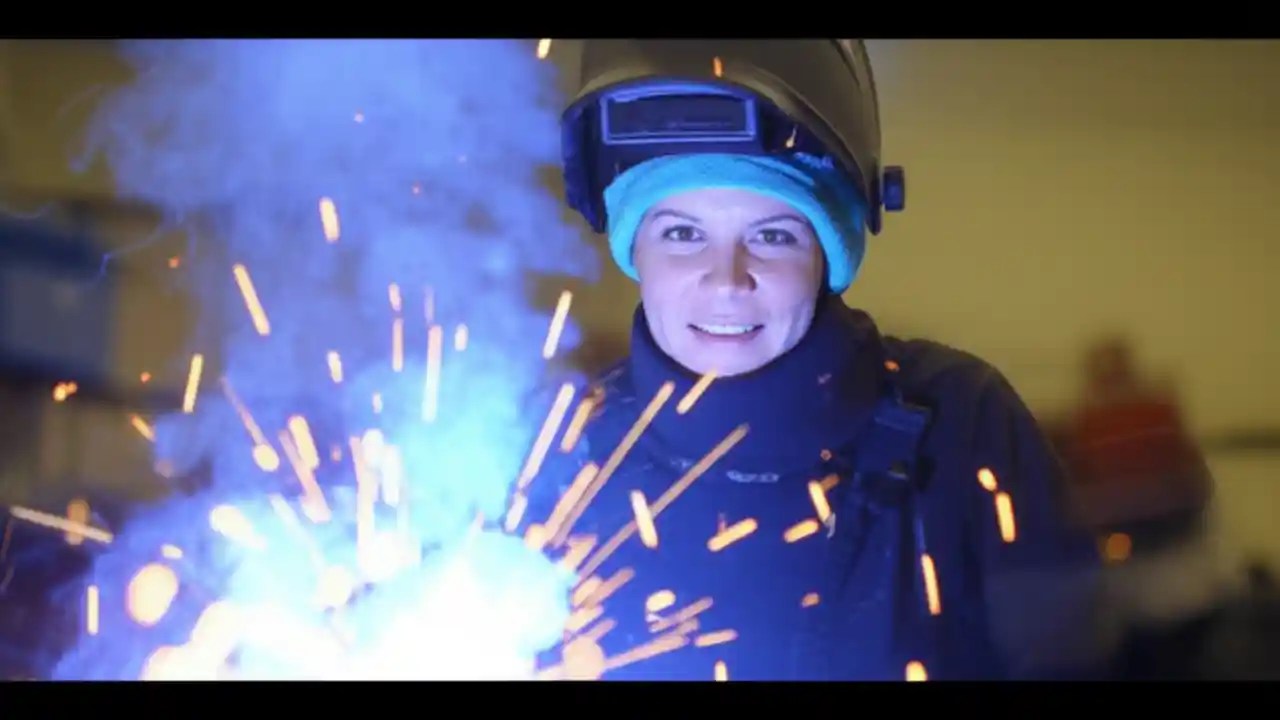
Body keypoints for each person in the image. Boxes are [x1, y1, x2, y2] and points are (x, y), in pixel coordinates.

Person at [523, 39, 1106, 681]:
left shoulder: (961, 421)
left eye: (772, 235)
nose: (726, 280)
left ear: (828, 256)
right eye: (682, 234)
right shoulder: (562, 456)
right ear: (637, 253)